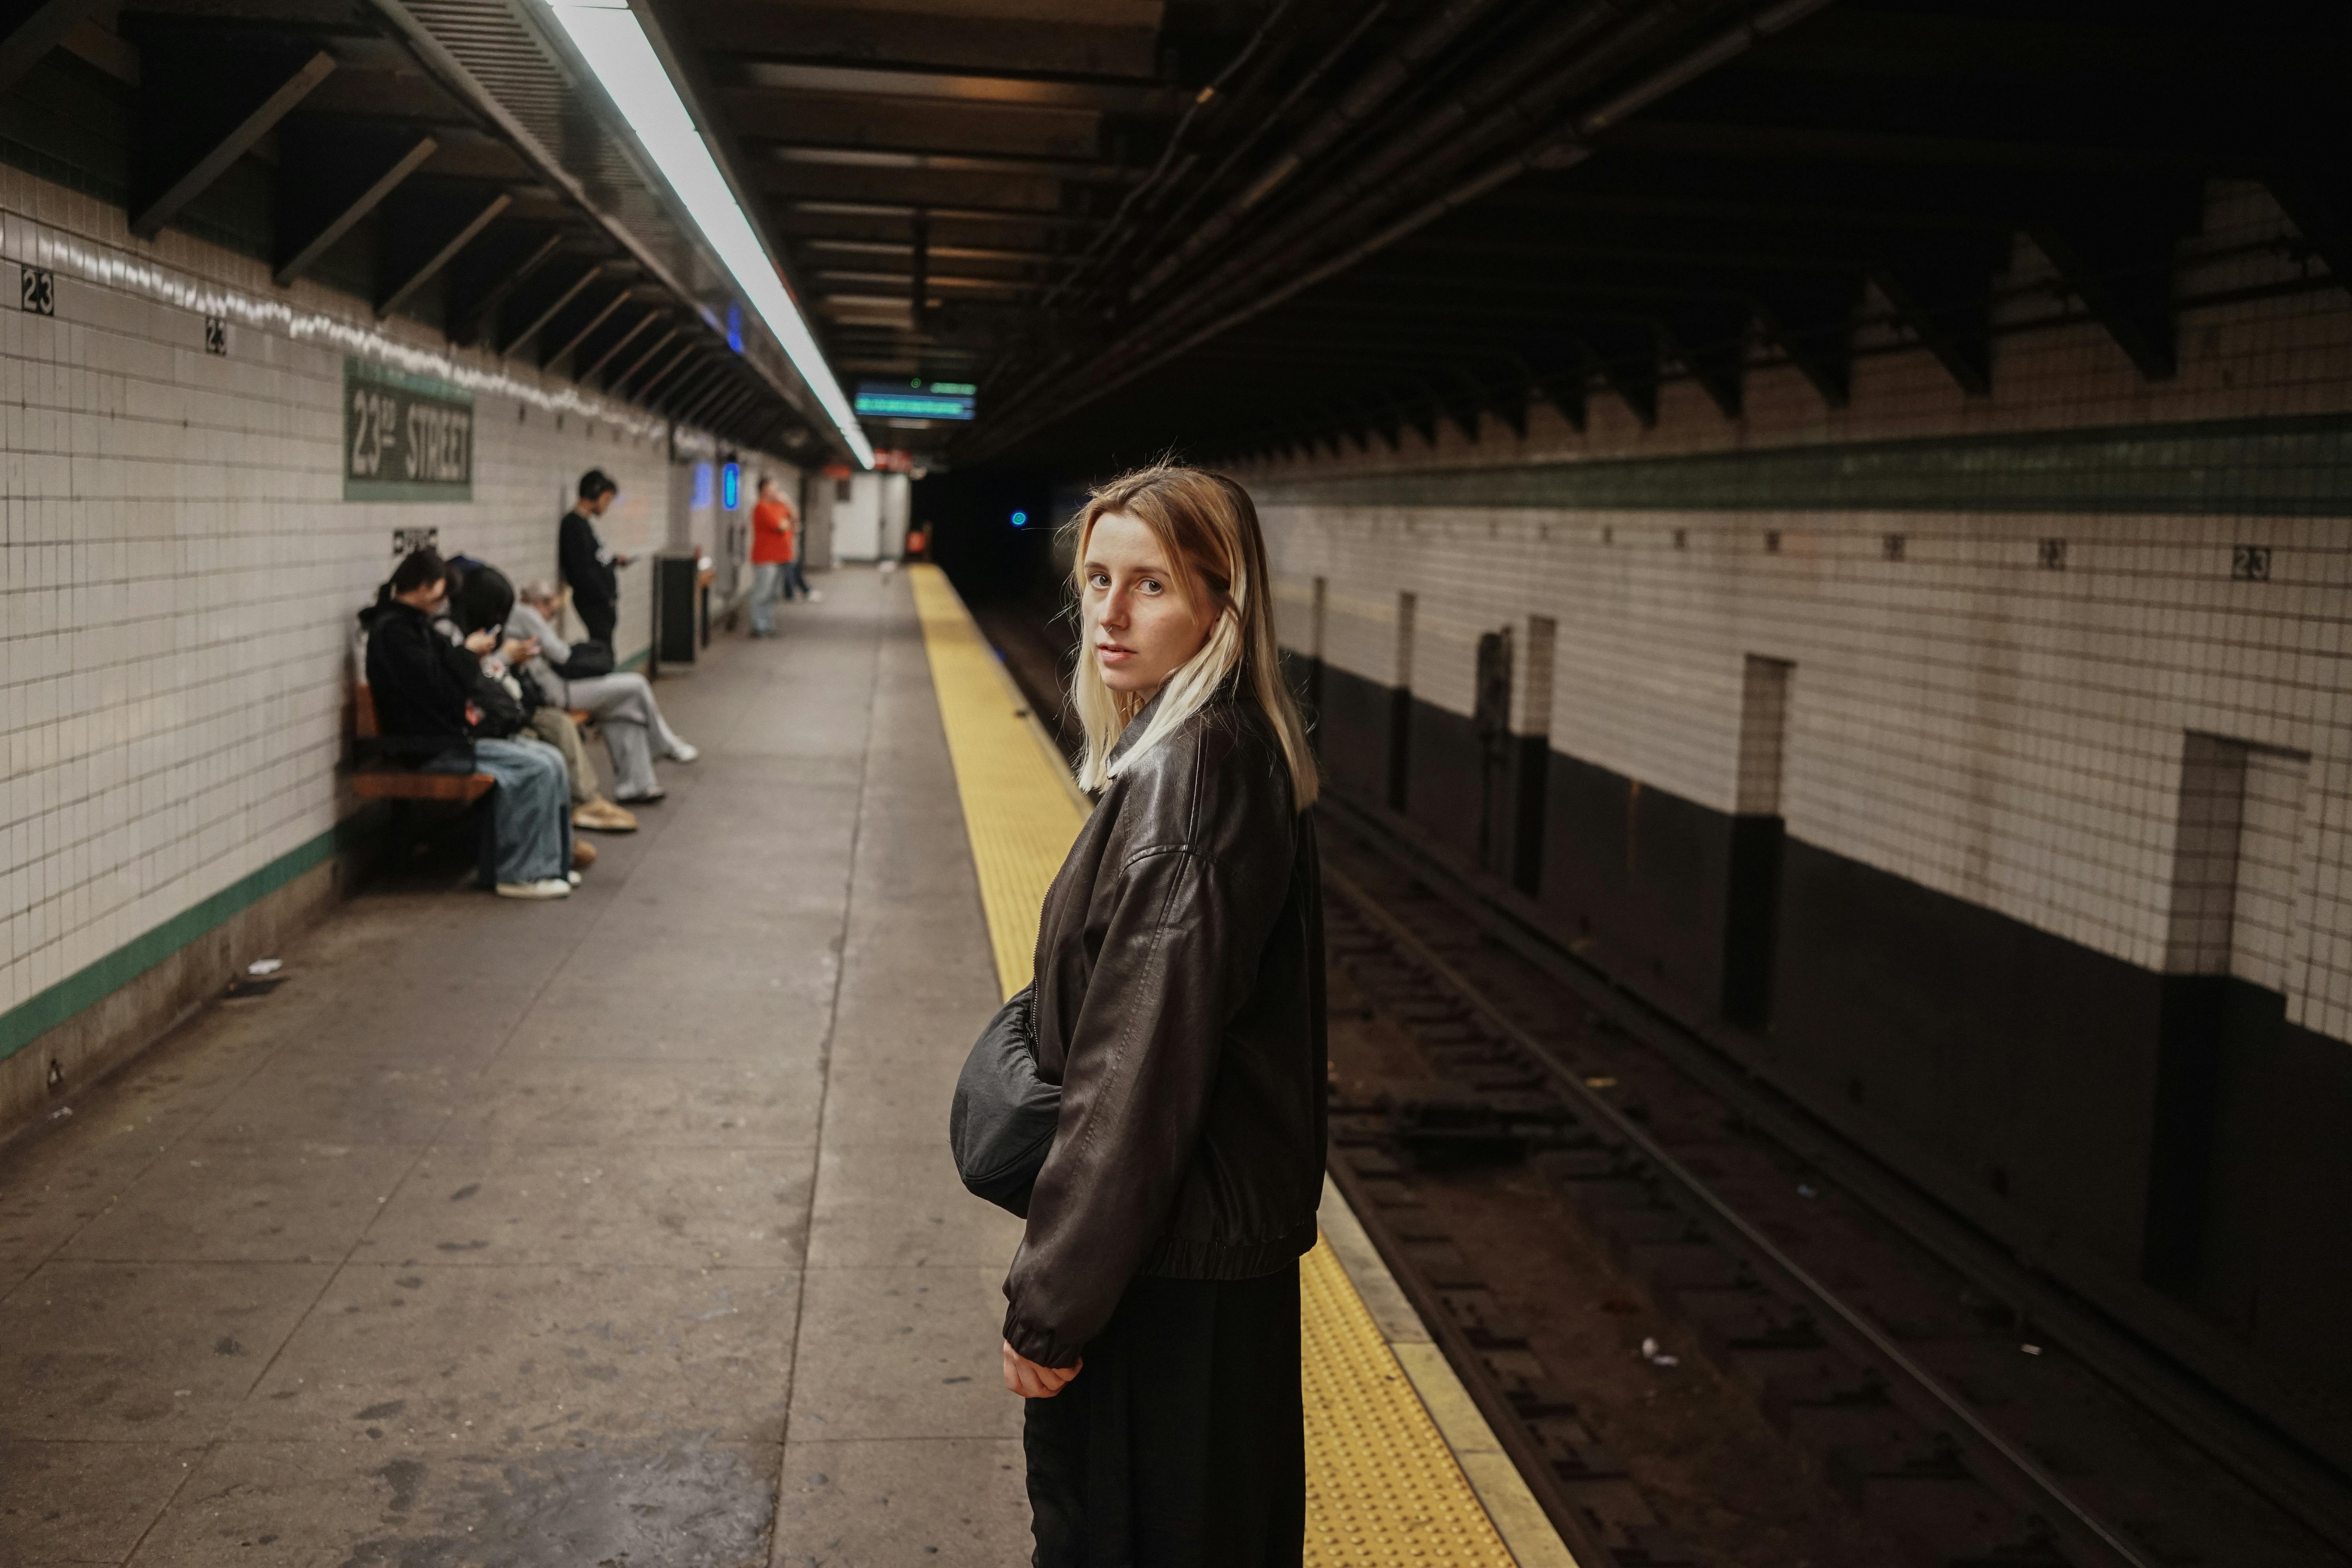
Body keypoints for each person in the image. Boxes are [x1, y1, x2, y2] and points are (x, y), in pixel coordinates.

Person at [999, 466, 1325, 1566]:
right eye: (1097, 580)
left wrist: (1051, 1309)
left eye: (1151, 586)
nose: (1109, 612)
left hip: (1162, 1283)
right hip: (1191, 1263)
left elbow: (1133, 1082)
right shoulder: (1208, 755)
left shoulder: (1191, 784)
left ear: (1223, 609)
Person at [360, 547, 575, 900]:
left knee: (550, 759)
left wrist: (468, 654)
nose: (445, 601)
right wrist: (468, 654)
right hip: (431, 749)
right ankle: (519, 874)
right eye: (442, 592)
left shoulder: (414, 628)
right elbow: (440, 691)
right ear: (427, 587)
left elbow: (442, 677)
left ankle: (549, 865)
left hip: (448, 740)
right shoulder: (395, 635)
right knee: (534, 769)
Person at [452, 566, 638, 835]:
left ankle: (585, 804)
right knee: (542, 754)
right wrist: (501, 657)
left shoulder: (484, 632)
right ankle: (553, 838)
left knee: (560, 725)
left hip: (510, 708)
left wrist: (516, 661)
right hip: (485, 721)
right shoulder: (456, 635)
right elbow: (471, 681)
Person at [513, 580, 699, 804]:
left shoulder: (520, 616)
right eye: (551, 608)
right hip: (559, 693)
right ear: (541, 603)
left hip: (561, 686)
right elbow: (560, 654)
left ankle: (636, 786)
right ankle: (664, 743)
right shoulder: (526, 615)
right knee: (637, 685)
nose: (552, 615)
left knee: (625, 707)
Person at [558, 469, 630, 645]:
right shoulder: (574, 526)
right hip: (595, 602)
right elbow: (581, 570)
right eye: (607, 500)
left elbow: (592, 561)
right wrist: (605, 598)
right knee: (602, 651)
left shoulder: (584, 524)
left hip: (601, 601)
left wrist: (613, 562)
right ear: (597, 495)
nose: (607, 506)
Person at [747, 475, 795, 637]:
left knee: (772, 594)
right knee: (762, 593)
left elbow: (794, 519)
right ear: (763, 490)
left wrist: (787, 503)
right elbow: (781, 526)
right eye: (772, 488)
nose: (776, 491)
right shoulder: (761, 508)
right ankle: (758, 627)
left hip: (779, 557)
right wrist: (787, 523)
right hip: (765, 558)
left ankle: (768, 625)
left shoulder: (779, 506)